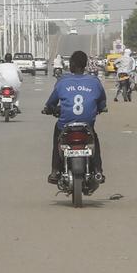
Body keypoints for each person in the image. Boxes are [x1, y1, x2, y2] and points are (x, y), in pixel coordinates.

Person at [43, 51, 107, 184]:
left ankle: (55, 171)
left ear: (71, 65)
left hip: (65, 124)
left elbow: (51, 103)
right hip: (87, 124)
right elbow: (102, 103)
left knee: (57, 139)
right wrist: (101, 109)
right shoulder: (94, 81)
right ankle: (98, 170)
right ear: (84, 65)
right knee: (94, 140)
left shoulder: (63, 81)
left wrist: (49, 109)